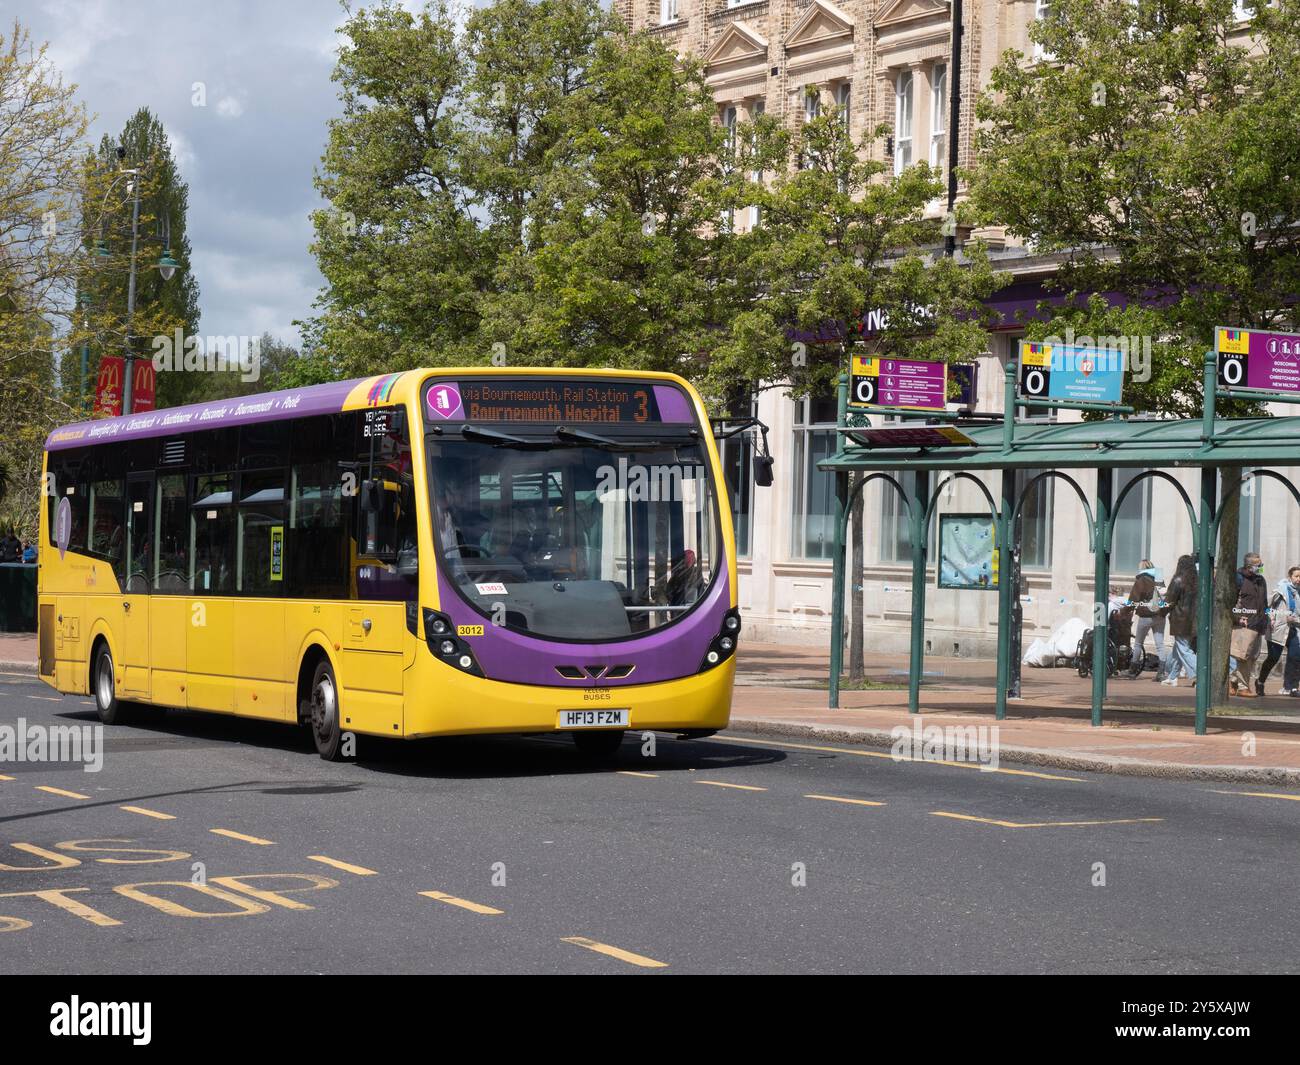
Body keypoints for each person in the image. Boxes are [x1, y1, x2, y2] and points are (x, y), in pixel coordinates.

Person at [1228, 552, 1269, 698]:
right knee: (1244, 656)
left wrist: (1268, 618)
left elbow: (1264, 602)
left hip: (1258, 623)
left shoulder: (1261, 580)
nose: (1261, 567)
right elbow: (1229, 602)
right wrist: (1237, 617)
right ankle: (1243, 687)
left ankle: (1233, 681)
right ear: (1249, 565)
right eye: (1259, 565)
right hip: (1244, 624)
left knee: (1253, 656)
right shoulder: (1238, 579)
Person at [1259, 565, 1300, 697]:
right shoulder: (1280, 590)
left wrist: (1295, 619)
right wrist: (1270, 617)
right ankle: (1260, 682)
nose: (1299, 579)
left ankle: (1292, 687)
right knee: (1273, 658)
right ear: (1290, 577)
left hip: (1294, 629)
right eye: (1296, 576)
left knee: (1295, 657)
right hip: (1278, 629)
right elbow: (1266, 606)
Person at [1159, 554, 1198, 687]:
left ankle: (1201, 673)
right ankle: (1172, 676)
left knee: (1184, 649)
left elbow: (1169, 601)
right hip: (1194, 620)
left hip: (1180, 620)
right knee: (1178, 649)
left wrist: (1161, 611)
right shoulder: (1197, 581)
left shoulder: (1178, 580)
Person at [1126, 560, 1166, 679]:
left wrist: (1126, 610)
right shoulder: (1159, 577)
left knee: (1138, 643)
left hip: (1145, 615)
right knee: (1160, 644)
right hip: (1160, 615)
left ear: (1142, 568)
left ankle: (1133, 671)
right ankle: (1161, 672)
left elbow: (1133, 598)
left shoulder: (1141, 579)